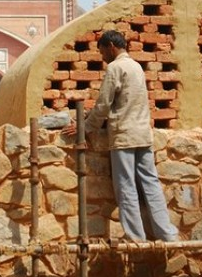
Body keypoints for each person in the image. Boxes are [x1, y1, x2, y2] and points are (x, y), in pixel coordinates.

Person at [71, 30, 178, 242]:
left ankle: (135, 237)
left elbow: (103, 105)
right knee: (151, 185)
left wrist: (86, 127)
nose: (102, 57)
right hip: (143, 134)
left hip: (124, 136)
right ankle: (167, 235)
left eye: (102, 52)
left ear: (111, 47)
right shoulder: (136, 66)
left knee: (126, 187)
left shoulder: (115, 67)